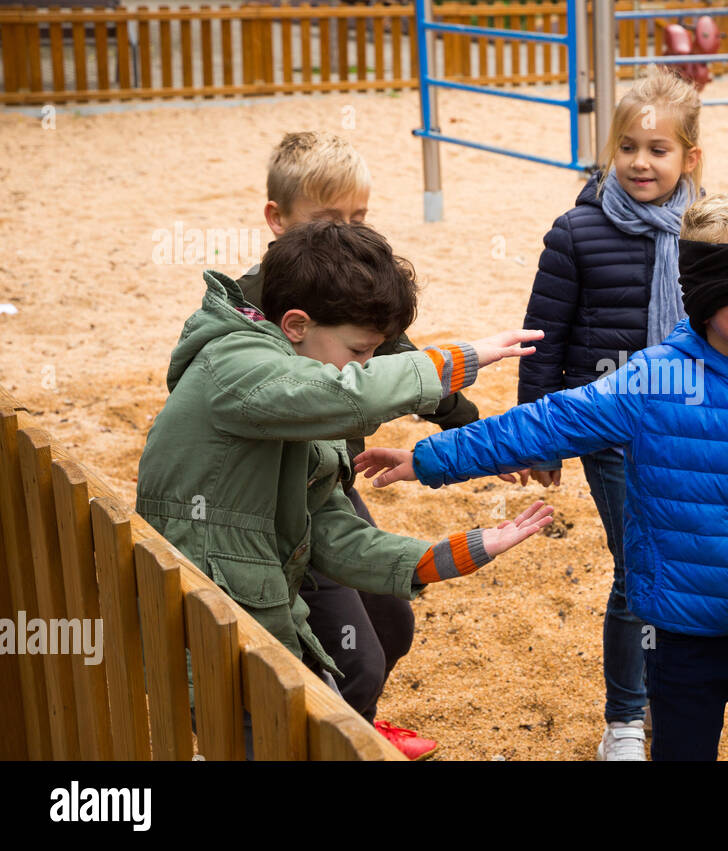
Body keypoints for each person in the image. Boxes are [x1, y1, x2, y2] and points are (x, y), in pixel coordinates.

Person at [352, 194, 728, 761]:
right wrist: (428, 460)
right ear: (702, 294)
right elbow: (542, 425)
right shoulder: (655, 379)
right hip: (678, 631)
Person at [136, 221, 553, 759]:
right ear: (295, 325)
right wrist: (454, 361)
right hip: (210, 634)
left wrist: (444, 556)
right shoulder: (238, 369)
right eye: (360, 351)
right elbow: (349, 393)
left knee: (352, 671)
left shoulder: (299, 399)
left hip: (257, 624)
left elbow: (329, 530)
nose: (363, 366)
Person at [239, 130, 483, 755]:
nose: (347, 234)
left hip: (330, 486)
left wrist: (473, 427)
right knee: (355, 659)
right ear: (277, 220)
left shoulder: (351, 288)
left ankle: (359, 726)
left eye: (360, 219)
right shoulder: (250, 307)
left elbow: (402, 364)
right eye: (326, 220)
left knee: (393, 624)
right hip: (275, 505)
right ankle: (336, 739)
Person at [512, 69, 704, 759]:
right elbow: (544, 339)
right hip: (613, 426)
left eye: (658, 148)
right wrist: (538, 438)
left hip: (694, 422)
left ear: (690, 159)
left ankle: (674, 688)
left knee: (683, 556)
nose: (641, 162)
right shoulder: (577, 231)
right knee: (638, 564)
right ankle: (625, 717)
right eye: (628, 147)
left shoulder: (709, 232)